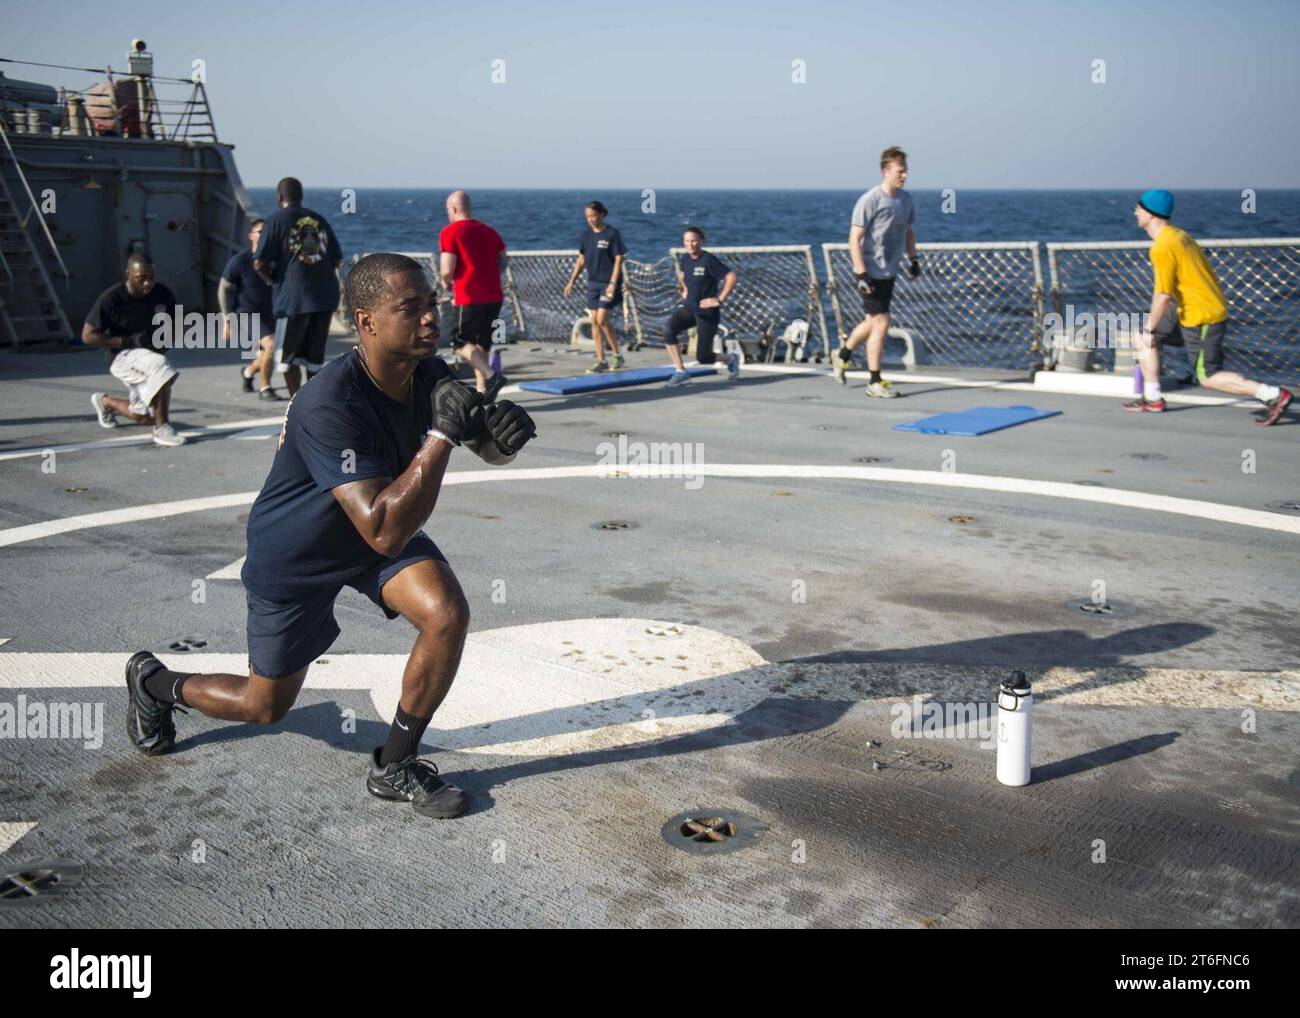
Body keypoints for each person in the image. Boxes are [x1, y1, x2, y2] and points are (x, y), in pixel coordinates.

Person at [121, 253, 538, 819]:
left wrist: (503, 438)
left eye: (431, 304)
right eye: (409, 308)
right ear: (366, 322)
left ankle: (396, 764)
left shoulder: (428, 371)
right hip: (301, 552)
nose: (428, 319)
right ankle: (155, 683)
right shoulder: (329, 402)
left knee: (446, 613)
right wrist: (441, 433)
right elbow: (388, 529)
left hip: (376, 527)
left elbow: (482, 446)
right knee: (264, 705)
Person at [1123, 189, 1292, 424]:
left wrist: (1151, 328)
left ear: (1151, 214)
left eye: (1139, 208)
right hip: (1190, 308)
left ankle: (1272, 394)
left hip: (1202, 315)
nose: (1135, 212)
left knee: (1207, 376)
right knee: (1142, 336)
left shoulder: (1162, 247)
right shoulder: (1179, 235)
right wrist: (1150, 329)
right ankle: (1153, 398)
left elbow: (1162, 295)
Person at [833, 146, 919, 398]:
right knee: (882, 321)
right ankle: (874, 380)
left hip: (889, 270)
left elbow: (909, 230)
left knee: (872, 321)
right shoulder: (870, 200)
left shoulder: (905, 200)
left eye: (906, 171)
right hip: (869, 270)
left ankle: (843, 355)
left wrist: (913, 259)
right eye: (899, 171)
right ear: (886, 170)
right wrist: (861, 274)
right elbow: (854, 237)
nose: (904, 176)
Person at [84, 253, 186, 447]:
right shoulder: (112, 299)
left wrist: (166, 339)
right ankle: (162, 428)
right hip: (121, 356)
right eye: (141, 278)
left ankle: (104, 402)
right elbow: (88, 336)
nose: (147, 283)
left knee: (143, 416)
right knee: (161, 367)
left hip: (148, 355)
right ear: (128, 274)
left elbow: (177, 321)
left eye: (151, 277)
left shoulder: (162, 293)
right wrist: (126, 341)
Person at [253, 177, 344, 396]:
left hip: (293, 299)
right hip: (324, 298)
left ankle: (296, 404)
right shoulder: (319, 219)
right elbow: (337, 260)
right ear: (301, 196)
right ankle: (313, 403)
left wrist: (272, 279)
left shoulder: (276, 221)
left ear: (279, 197)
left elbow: (259, 262)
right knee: (314, 361)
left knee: (287, 357)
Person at [439, 190, 509, 401]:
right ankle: (482, 390)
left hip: (467, 295)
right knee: (482, 343)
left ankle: (491, 376)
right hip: (493, 294)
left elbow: (446, 268)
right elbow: (504, 259)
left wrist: (444, 282)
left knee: (460, 342)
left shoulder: (450, 232)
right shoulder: (489, 231)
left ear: (453, 209)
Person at [663, 226, 738, 387]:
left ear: (702, 241)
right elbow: (683, 275)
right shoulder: (685, 259)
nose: (690, 244)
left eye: (694, 240)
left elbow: (731, 276)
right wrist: (683, 289)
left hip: (707, 312)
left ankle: (730, 359)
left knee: (703, 357)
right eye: (687, 241)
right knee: (668, 330)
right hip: (689, 308)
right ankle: (681, 372)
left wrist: (719, 299)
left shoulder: (708, 260)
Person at [220, 218, 280, 400]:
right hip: (246, 314)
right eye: (259, 232)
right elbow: (224, 289)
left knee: (265, 353)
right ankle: (265, 388)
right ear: (250, 236)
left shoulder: (275, 260)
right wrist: (227, 320)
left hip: (271, 313)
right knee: (271, 344)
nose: (263, 236)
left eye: (266, 233)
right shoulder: (239, 262)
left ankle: (248, 372)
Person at [563, 200, 626, 373]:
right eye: (587, 217)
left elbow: (619, 259)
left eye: (593, 215)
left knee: (601, 320)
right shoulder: (586, 236)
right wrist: (571, 282)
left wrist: (613, 283)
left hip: (608, 283)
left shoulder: (612, 234)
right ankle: (601, 359)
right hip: (593, 283)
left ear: (602, 214)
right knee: (595, 323)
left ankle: (617, 355)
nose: (590, 219)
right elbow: (581, 259)